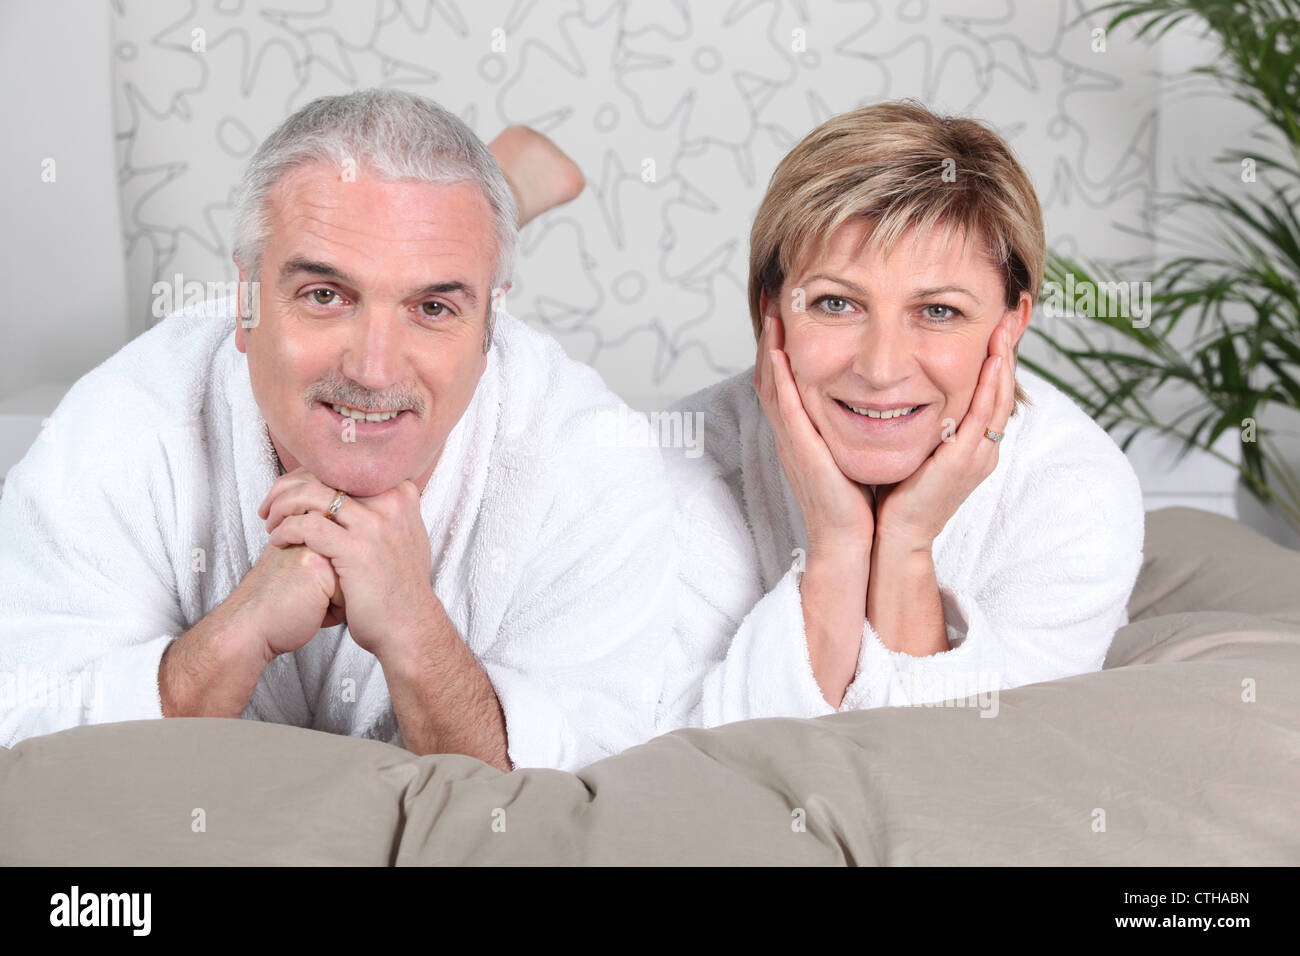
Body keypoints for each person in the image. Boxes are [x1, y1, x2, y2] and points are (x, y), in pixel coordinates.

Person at [0, 89, 672, 774]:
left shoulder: (589, 458)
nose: (374, 371)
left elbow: (600, 803)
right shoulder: (123, 424)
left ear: (491, 332)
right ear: (245, 305)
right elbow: (20, 739)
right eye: (325, 295)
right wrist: (229, 643)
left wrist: (418, 634)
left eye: (433, 306)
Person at [651, 101, 1146, 728]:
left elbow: (973, 785)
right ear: (768, 312)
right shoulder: (673, 471)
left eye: (938, 311)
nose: (882, 369)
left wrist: (908, 546)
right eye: (835, 304)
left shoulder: (1074, 489)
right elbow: (686, 770)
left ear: (1010, 324)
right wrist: (837, 546)